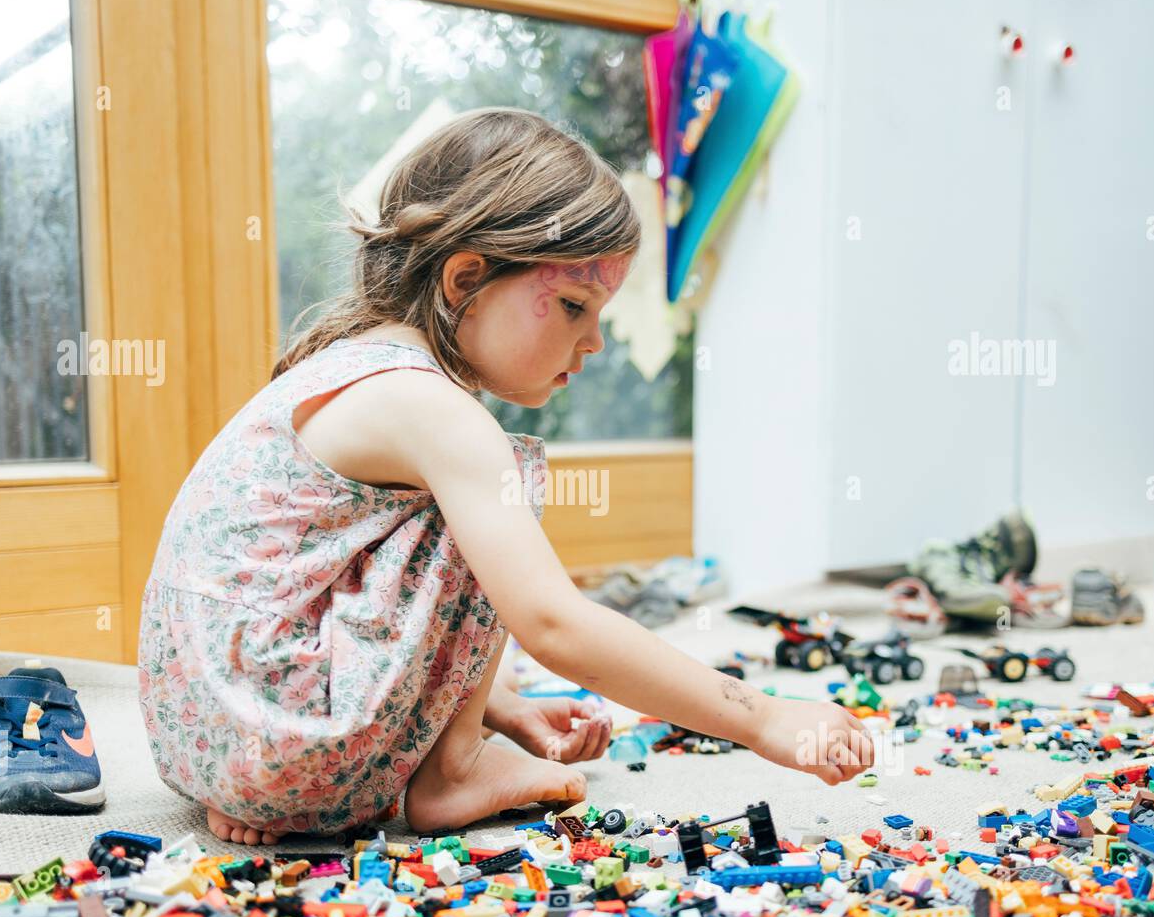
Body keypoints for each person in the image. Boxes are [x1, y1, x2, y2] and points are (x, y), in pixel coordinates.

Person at [138, 107, 873, 845]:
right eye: (574, 306)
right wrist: (767, 716)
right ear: (466, 278)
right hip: (287, 738)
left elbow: (316, 591)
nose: (592, 342)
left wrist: (503, 703)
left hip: (210, 737)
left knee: (473, 499)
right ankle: (453, 771)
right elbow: (553, 623)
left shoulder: (352, 362)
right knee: (498, 485)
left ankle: (372, 766)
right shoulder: (438, 412)